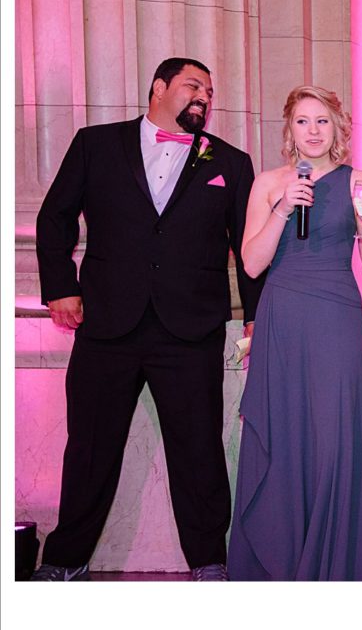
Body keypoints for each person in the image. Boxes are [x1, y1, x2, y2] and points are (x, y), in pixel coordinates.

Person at [33, 57, 263, 581]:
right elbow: (55, 217)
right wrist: (60, 289)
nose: (203, 95)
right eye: (192, 85)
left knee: (199, 449)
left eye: (209, 88)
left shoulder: (231, 161)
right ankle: (66, 559)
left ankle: (209, 560)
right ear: (158, 88)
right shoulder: (96, 144)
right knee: (90, 447)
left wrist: (256, 316)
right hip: (106, 325)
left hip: (190, 330)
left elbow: (247, 246)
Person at [227, 85, 362, 581]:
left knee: (333, 436)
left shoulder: (358, 181)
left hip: (336, 317)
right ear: (289, 129)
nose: (313, 131)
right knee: (284, 432)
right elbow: (252, 265)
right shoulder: (270, 183)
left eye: (322, 121)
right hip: (282, 316)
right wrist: (282, 208)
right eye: (303, 121)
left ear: (337, 128)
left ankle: (336, 561)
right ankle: (277, 556)